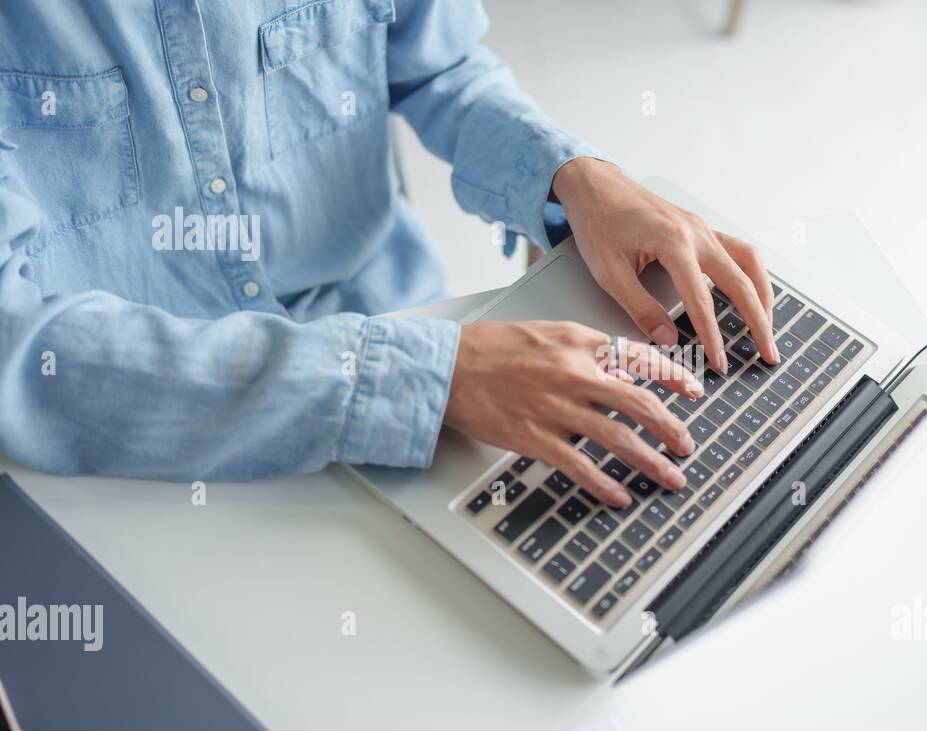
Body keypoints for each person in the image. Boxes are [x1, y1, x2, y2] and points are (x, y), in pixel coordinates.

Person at [0, 0, 778, 509]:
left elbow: (439, 67)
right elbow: (17, 341)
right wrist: (421, 377)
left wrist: (577, 178)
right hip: (134, 469)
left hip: (421, 363)